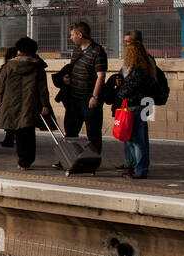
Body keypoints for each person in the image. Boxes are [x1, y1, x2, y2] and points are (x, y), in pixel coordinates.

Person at [0, 36, 51, 171]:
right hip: (30, 103)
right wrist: (45, 105)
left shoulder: (8, 66)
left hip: (11, 103)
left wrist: (2, 102)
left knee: (18, 132)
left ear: (19, 50)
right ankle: (28, 159)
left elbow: (1, 86)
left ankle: (22, 160)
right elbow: (42, 88)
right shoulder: (38, 67)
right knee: (29, 131)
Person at [57, 22, 107, 163]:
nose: (71, 37)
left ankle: (93, 161)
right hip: (74, 97)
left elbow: (101, 76)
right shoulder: (77, 50)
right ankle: (69, 159)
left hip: (89, 98)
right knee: (71, 130)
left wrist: (94, 96)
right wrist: (67, 78)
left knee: (93, 132)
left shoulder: (98, 52)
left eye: (72, 35)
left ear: (80, 35)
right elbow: (72, 68)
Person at [116, 42, 157, 179]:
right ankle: (139, 168)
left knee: (136, 141)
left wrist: (119, 88)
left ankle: (140, 170)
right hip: (143, 107)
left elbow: (125, 91)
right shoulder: (147, 68)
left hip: (135, 108)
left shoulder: (137, 71)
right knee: (139, 140)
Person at [0, 45, 19, 147]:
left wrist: (1, 100)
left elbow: (1, 85)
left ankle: (9, 139)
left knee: (9, 120)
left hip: (8, 98)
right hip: (18, 98)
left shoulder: (6, 68)